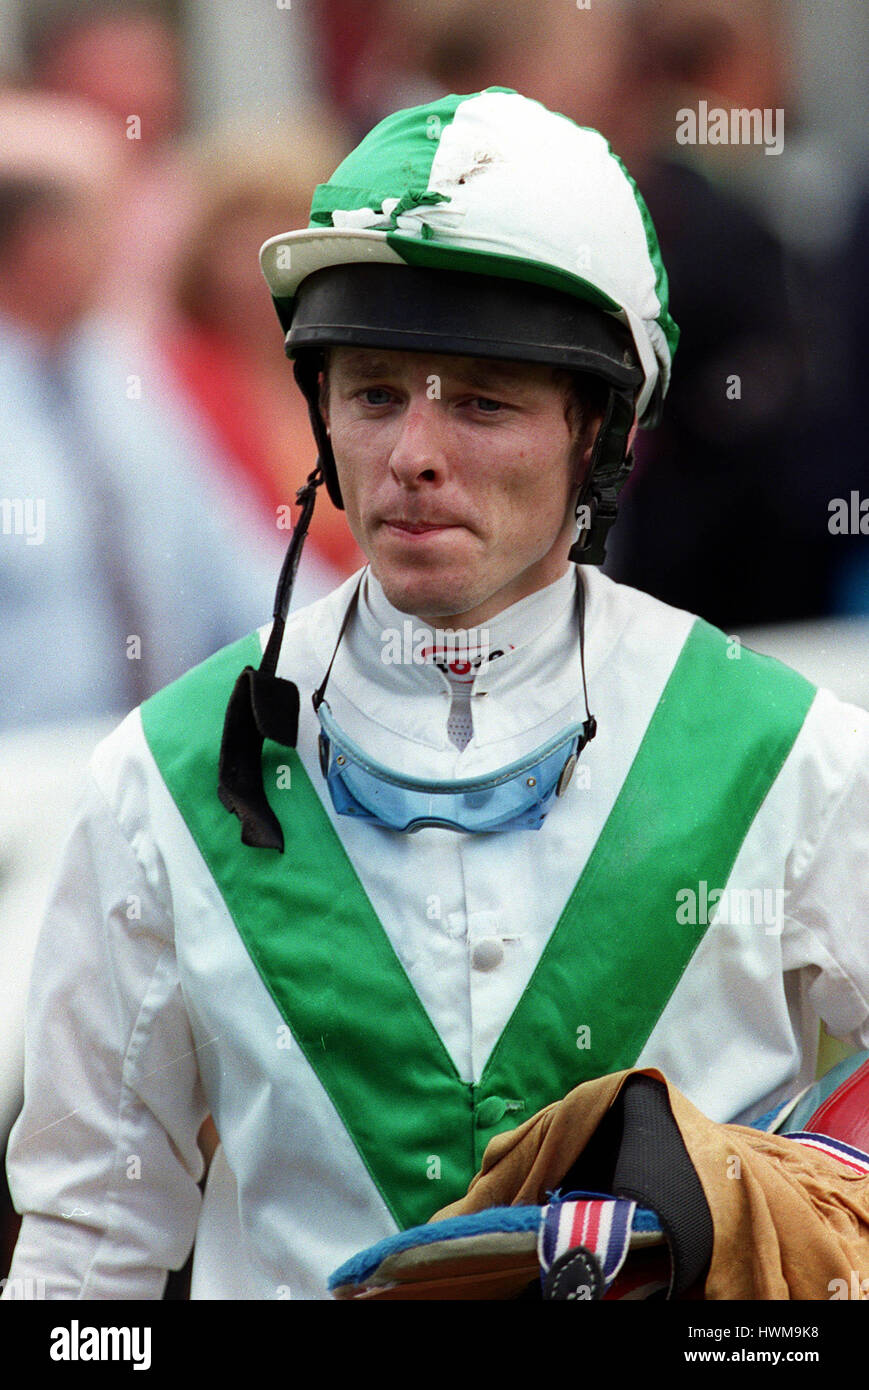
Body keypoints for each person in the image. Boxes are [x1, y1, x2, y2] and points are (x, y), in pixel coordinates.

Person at [4, 88, 869, 1301]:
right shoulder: (159, 771)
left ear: (602, 433)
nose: (413, 452)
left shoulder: (791, 754)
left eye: (480, 401)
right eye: (371, 393)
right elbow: (86, 1250)